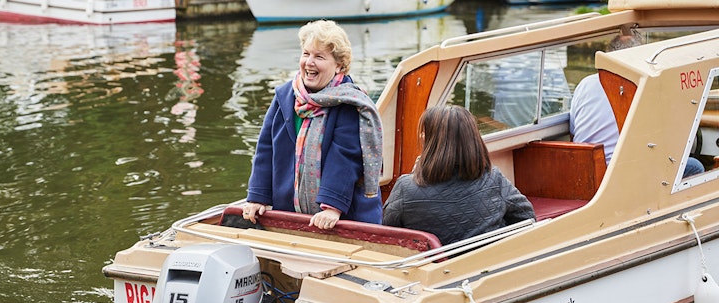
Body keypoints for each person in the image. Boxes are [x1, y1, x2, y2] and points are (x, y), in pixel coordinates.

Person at [242, 19, 383, 230]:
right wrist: (257, 196)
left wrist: (332, 207)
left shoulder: (349, 102)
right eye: (306, 54)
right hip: (291, 211)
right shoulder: (285, 97)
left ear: (339, 65)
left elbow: (345, 157)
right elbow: (265, 149)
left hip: (345, 215)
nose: (309, 62)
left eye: (319, 57)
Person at [382, 105, 536, 246]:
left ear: (428, 140)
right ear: (473, 139)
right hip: (486, 264)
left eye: (424, 133)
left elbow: (386, 236)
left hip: (435, 270)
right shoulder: (493, 178)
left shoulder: (405, 187)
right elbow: (527, 219)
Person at [570, 29, 705, 177]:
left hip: (582, 170)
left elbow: (573, 132)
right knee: (695, 167)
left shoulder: (585, 84)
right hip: (622, 175)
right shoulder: (643, 87)